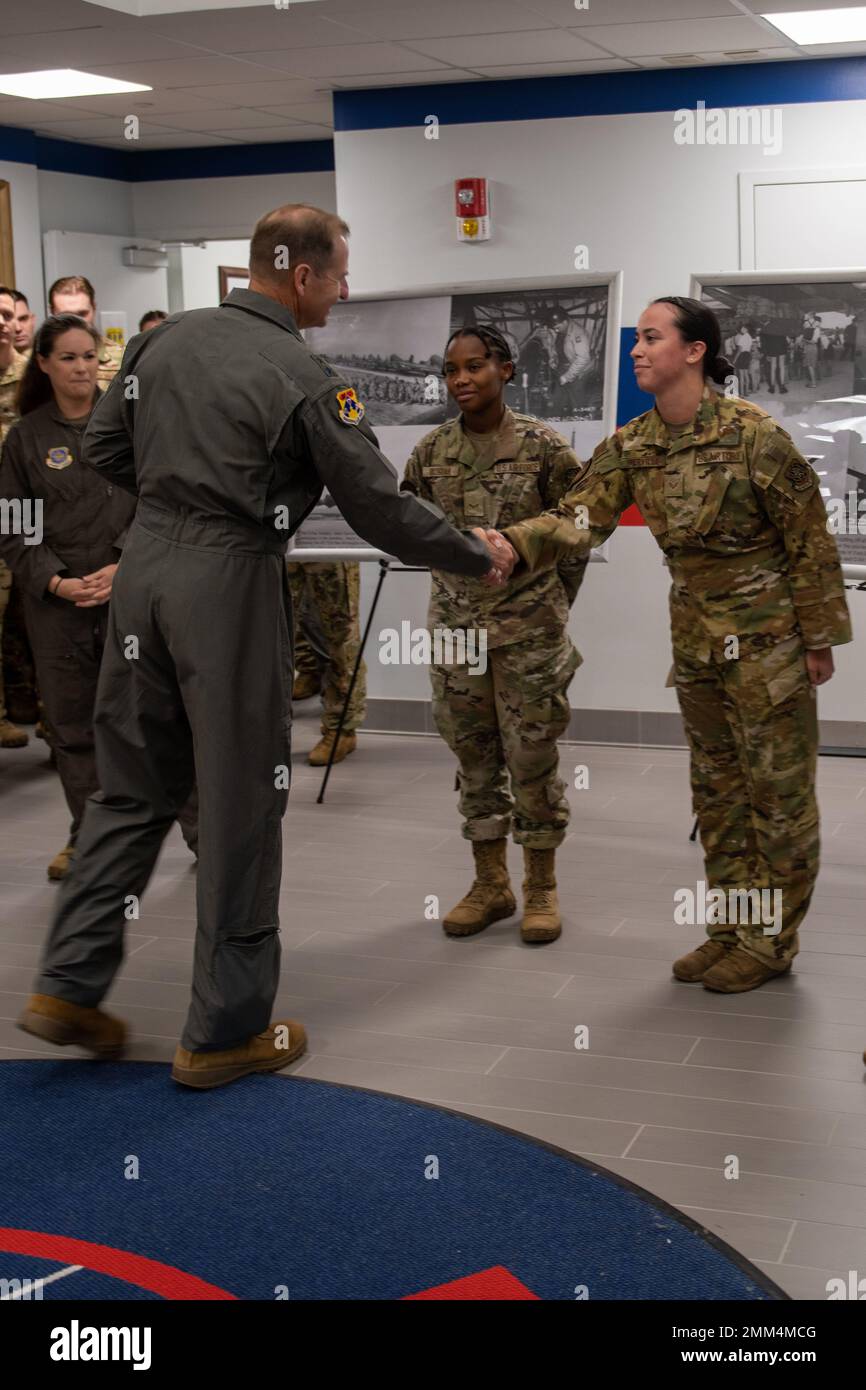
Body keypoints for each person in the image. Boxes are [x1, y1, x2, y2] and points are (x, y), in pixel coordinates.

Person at [16, 203, 507, 1089]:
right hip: (228, 585)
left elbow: (100, 444)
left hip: (144, 575)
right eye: (342, 272)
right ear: (306, 275)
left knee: (129, 789)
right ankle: (224, 1032)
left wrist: (175, 500)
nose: (346, 288)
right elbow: (378, 506)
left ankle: (67, 985)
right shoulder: (307, 376)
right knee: (241, 803)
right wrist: (475, 552)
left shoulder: (164, 345)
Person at [494, 296, 851, 994]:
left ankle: (773, 942)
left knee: (776, 798)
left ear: (694, 351)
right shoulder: (636, 443)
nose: (637, 349)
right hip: (696, 642)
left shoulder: (754, 436)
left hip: (769, 641)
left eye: (652, 338)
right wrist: (511, 542)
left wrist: (818, 639)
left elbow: (809, 540)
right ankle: (731, 929)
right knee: (717, 794)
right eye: (636, 339)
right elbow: (578, 518)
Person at [401, 326, 587, 943]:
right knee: (474, 758)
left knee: (532, 757)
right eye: (451, 369)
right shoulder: (429, 455)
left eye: (475, 366)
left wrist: (553, 605)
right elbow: (407, 528)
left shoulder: (545, 448)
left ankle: (540, 886)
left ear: (506, 370)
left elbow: (580, 529)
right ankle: (490, 883)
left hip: (529, 634)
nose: (461, 380)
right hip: (457, 634)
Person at [0, 316, 138, 877]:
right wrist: (54, 579)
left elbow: (160, 501)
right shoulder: (26, 438)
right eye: (69, 358)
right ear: (45, 364)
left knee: (151, 722)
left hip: (128, 594)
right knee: (73, 728)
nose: (82, 368)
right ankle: (89, 838)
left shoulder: (130, 425)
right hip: (57, 606)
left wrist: (124, 562)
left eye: (88, 357)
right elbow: (14, 526)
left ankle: (201, 836)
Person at [286, 558, 366, 762]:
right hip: (283, 538)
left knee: (339, 633)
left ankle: (341, 728)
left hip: (328, 538)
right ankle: (308, 671)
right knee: (280, 622)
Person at [0, 285, 31, 749]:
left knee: (32, 614)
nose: (3, 322)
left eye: (8, 314)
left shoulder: (34, 378)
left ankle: (47, 709)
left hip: (26, 512)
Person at [47, 276, 123, 386]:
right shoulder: (41, 360)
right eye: (66, 316)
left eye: (82, 314)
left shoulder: (124, 359)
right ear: (52, 313)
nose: (76, 323)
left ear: (94, 308)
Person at [12, 291, 36, 355]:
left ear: (32, 320)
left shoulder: (52, 357)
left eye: (23, 319)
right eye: (11, 321)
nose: (18, 328)